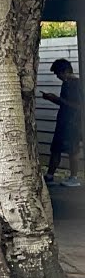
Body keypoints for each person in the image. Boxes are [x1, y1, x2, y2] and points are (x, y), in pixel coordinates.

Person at [43, 58, 83, 187]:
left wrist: (57, 99)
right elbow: (64, 103)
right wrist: (53, 99)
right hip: (64, 121)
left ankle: (74, 177)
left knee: (72, 150)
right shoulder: (66, 83)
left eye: (58, 73)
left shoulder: (75, 84)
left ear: (65, 71)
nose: (58, 77)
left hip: (73, 122)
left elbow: (77, 106)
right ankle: (50, 175)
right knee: (56, 149)